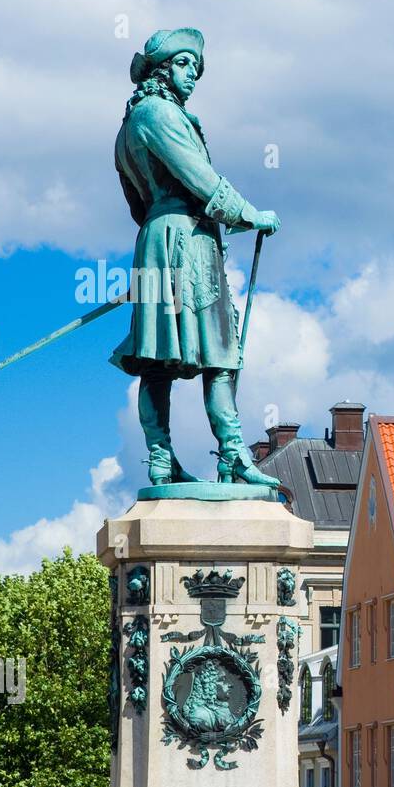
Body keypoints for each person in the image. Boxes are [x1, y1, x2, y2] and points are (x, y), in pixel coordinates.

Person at [111, 28, 280, 487]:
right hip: (187, 240)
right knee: (218, 353)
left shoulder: (128, 127)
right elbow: (199, 177)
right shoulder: (159, 114)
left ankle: (163, 460)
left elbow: (136, 204)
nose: (193, 76)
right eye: (185, 65)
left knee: (156, 357)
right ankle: (234, 455)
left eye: (196, 68)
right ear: (160, 69)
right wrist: (248, 214)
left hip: (155, 241)